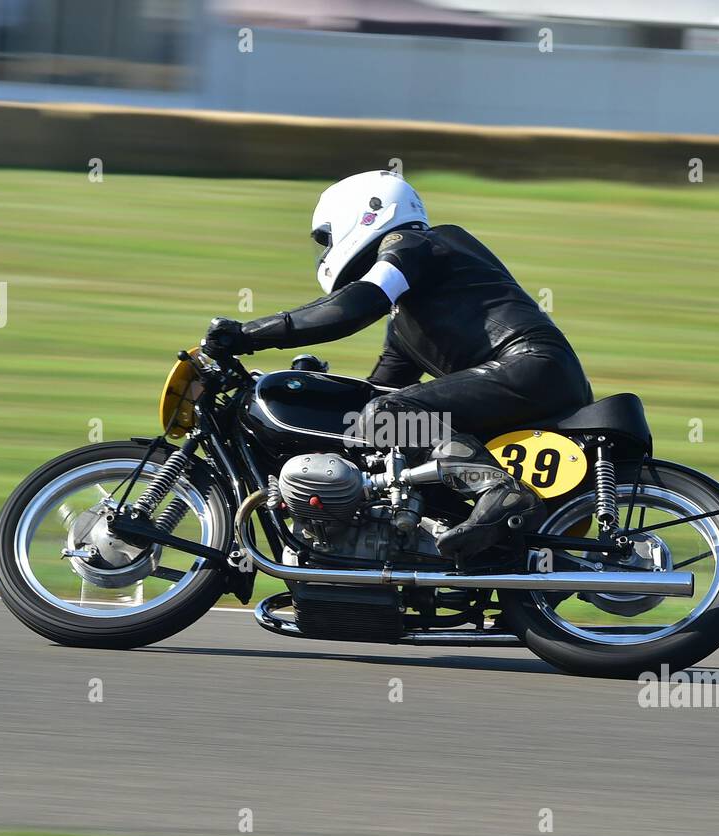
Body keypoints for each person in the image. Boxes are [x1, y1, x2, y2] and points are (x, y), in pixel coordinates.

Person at [203, 170, 592, 560]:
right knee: (383, 421)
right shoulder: (406, 319)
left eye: (328, 237)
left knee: (390, 415)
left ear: (366, 212)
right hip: (530, 376)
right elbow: (371, 400)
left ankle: (498, 492)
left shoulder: (415, 243)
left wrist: (250, 334)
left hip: (531, 364)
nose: (326, 249)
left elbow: (353, 306)